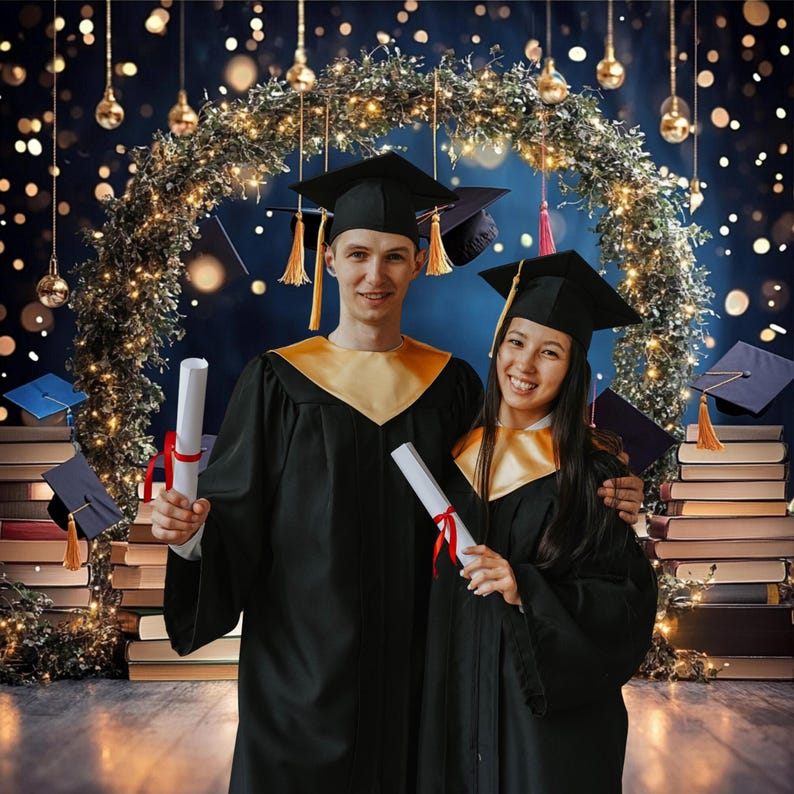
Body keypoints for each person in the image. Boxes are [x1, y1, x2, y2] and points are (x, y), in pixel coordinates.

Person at [150, 155, 646, 794]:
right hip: (304, 673)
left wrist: (609, 485)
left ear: (418, 261)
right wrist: (190, 532)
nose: (373, 275)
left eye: (393, 256)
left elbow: (512, 489)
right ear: (328, 259)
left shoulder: (450, 384)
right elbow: (231, 516)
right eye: (357, 254)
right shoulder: (276, 380)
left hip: (424, 674)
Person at [417, 251, 659, 794]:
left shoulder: (592, 476)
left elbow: (624, 603)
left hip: (547, 734)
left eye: (550, 352)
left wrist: (526, 587)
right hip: (453, 708)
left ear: (573, 370)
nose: (525, 366)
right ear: (497, 345)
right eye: (516, 342)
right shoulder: (451, 454)